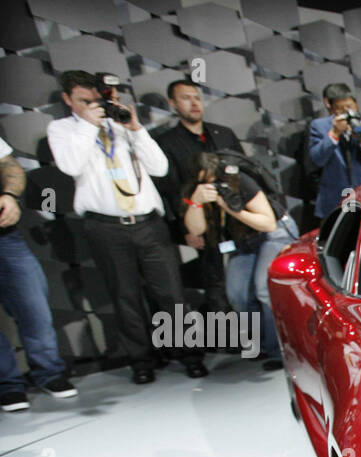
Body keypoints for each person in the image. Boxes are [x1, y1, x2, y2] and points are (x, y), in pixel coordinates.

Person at [47, 69, 203, 383]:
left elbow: (160, 168)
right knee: (125, 297)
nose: (96, 105)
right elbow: (70, 166)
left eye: (100, 99)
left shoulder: (122, 124)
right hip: (105, 227)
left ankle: (189, 354)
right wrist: (90, 125)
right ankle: (142, 361)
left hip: (149, 223)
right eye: (85, 101)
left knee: (172, 295)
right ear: (68, 99)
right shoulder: (62, 129)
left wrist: (135, 130)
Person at [183, 152, 298, 370]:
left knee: (264, 289)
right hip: (241, 241)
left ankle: (280, 351)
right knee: (238, 294)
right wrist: (196, 202)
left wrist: (228, 207)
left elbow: (268, 223)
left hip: (274, 233)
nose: (212, 185)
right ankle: (262, 345)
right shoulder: (195, 192)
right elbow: (196, 230)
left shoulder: (240, 181)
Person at [0, 138, 75, 410]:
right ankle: (8, 385)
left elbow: (10, 165)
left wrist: (9, 195)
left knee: (34, 307)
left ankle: (49, 373)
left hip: (5, 236)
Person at [152, 79, 240, 313]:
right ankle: (229, 340)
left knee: (242, 278)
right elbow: (169, 190)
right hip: (199, 221)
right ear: (172, 103)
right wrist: (187, 229)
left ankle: (258, 335)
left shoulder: (223, 134)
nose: (194, 103)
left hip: (236, 218)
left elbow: (243, 174)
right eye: (185, 98)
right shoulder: (166, 143)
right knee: (215, 283)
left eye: (197, 97)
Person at [308, 84, 361, 219]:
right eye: (340, 109)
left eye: (349, 107)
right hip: (333, 201)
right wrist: (334, 134)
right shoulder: (319, 126)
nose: (346, 112)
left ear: (356, 105)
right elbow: (317, 160)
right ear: (331, 109)